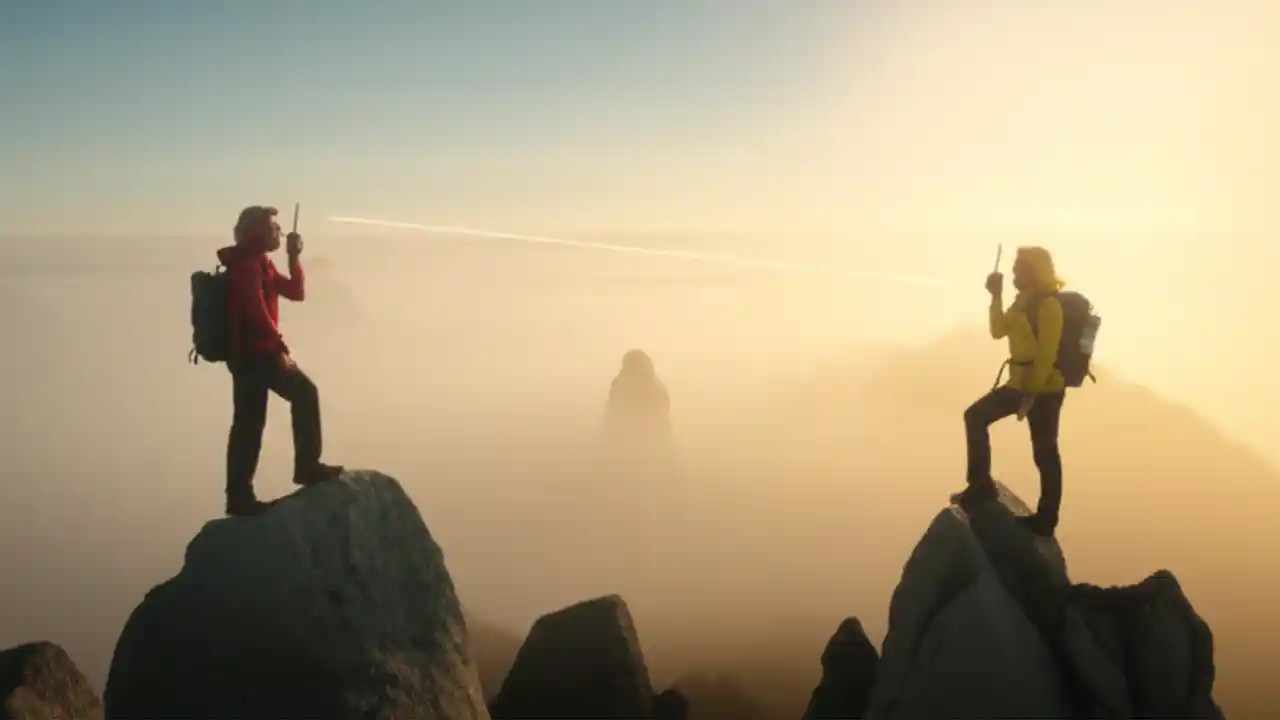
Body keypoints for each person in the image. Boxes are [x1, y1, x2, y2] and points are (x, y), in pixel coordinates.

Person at [218, 206, 342, 516]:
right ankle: (307, 466)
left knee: (248, 424)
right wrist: (280, 348)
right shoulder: (248, 265)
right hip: (257, 354)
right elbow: (254, 309)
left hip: (248, 355)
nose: (280, 233)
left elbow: (296, 293)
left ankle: (239, 497)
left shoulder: (259, 263)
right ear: (257, 232)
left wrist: (293, 257)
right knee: (302, 395)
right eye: (274, 229)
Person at [952, 246, 1067, 537]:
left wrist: (1031, 393)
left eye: (1020, 267)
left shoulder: (1048, 306)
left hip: (1043, 388)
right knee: (977, 418)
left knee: (1044, 452)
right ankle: (981, 486)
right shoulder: (1022, 302)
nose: (1015, 272)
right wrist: (995, 296)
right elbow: (997, 330)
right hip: (1020, 383)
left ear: (1035, 270)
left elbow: (1046, 355)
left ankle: (1043, 517)